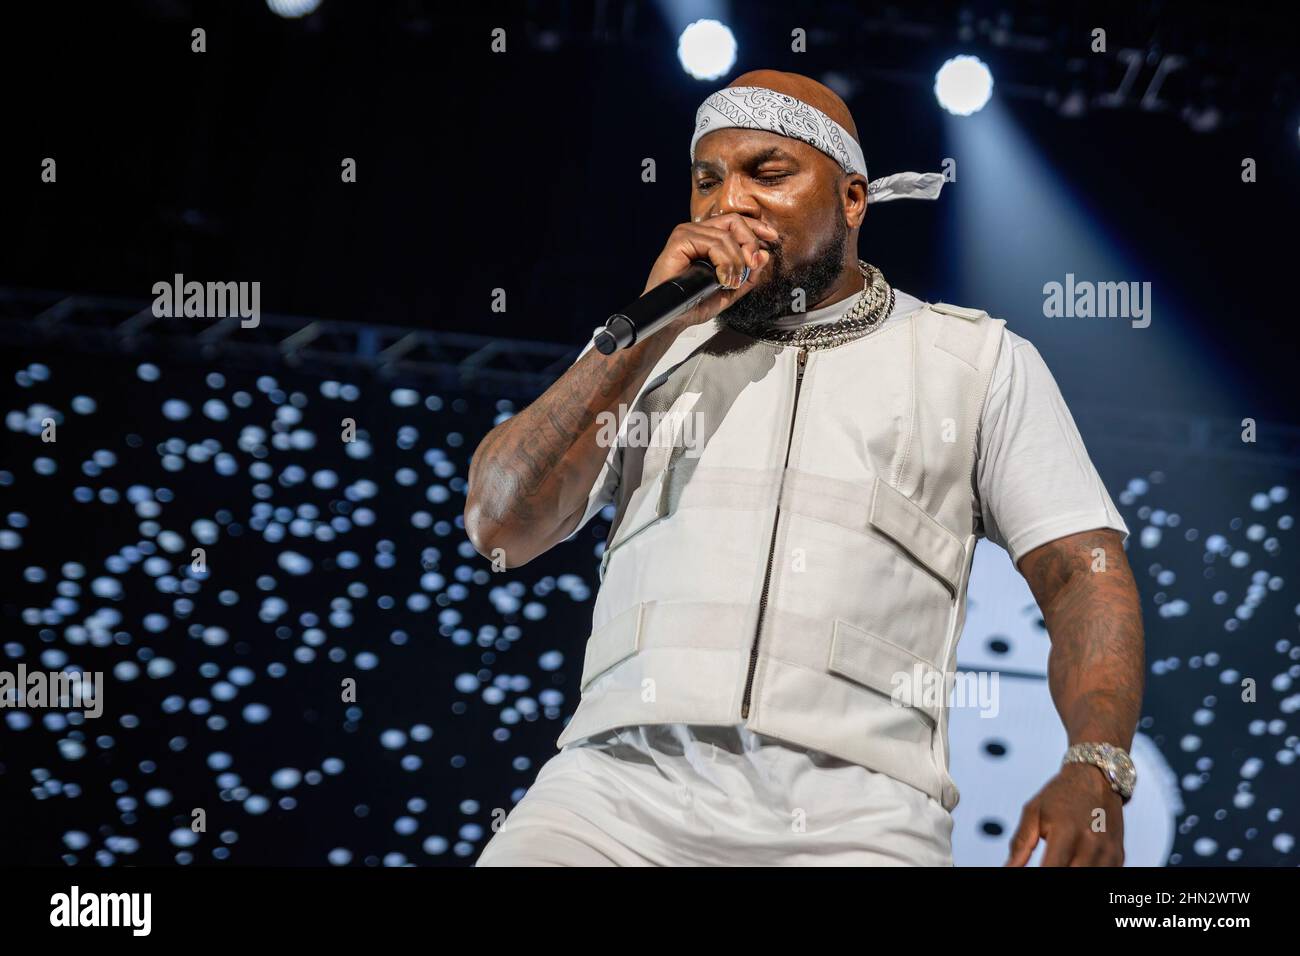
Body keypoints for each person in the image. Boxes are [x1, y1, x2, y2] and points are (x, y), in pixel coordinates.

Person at [465, 70, 1144, 866]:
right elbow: (499, 522)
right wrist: (638, 333)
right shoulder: (647, 347)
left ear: (853, 200)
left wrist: (1096, 764)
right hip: (613, 797)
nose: (731, 204)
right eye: (708, 180)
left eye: (768, 174)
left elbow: (1084, 573)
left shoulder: (975, 360)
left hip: (858, 815)